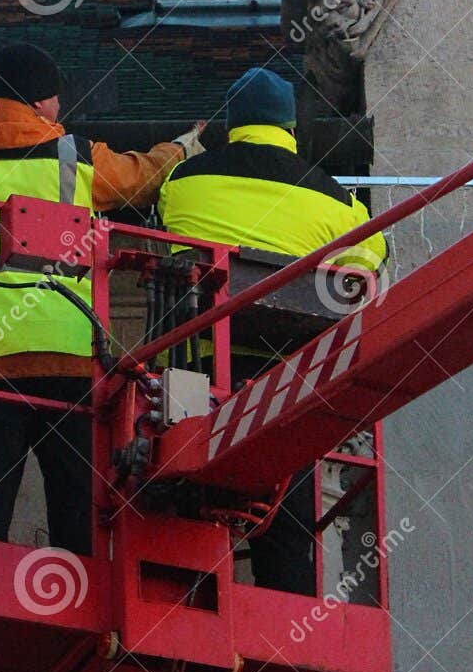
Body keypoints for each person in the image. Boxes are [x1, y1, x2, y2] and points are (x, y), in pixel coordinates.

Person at [0, 42, 201, 555]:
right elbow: (137, 179)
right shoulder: (72, 154)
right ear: (38, 103)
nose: (58, 110)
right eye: (53, 100)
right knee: (78, 510)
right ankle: (77, 599)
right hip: (66, 358)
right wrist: (181, 149)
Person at [157, 66, 387, 593]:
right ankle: (286, 629)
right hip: (289, 384)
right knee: (288, 528)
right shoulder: (334, 199)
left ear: (233, 123)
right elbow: (369, 261)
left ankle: (188, 616)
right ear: (289, 126)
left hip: (197, 380)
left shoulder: (186, 181)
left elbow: (164, 216)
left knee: (189, 517)